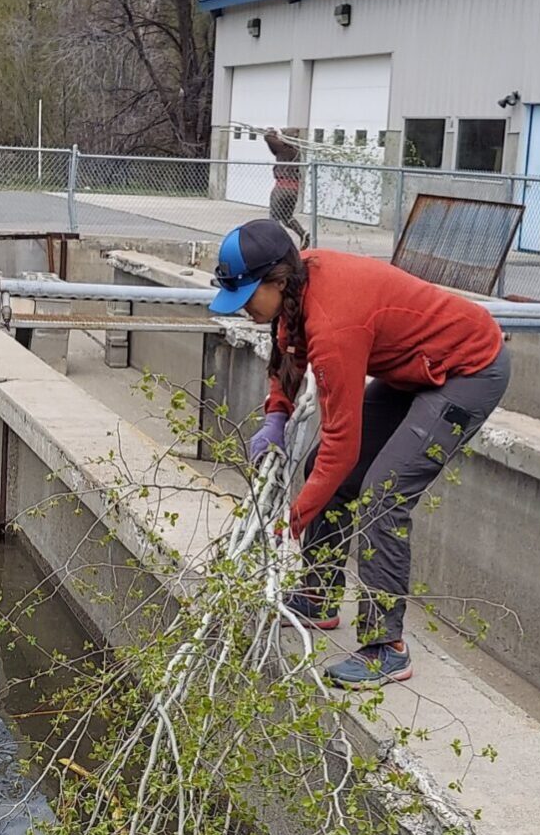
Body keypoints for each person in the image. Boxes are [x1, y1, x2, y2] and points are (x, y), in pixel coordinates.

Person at [208, 220, 510, 689]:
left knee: (383, 495)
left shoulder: (333, 320)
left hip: (468, 369)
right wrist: (277, 416)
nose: (244, 309)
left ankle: (386, 649)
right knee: (322, 474)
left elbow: (341, 445)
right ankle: (319, 595)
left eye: (247, 298)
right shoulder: (295, 289)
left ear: (278, 281)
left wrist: (292, 519)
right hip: (416, 368)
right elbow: (287, 355)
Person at [264, 129, 309, 246]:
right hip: (294, 189)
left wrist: (271, 132)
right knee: (287, 217)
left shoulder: (284, 148)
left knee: (274, 217)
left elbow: (268, 138)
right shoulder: (296, 150)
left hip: (281, 187)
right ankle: (302, 233)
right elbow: (273, 148)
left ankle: (274, 242)